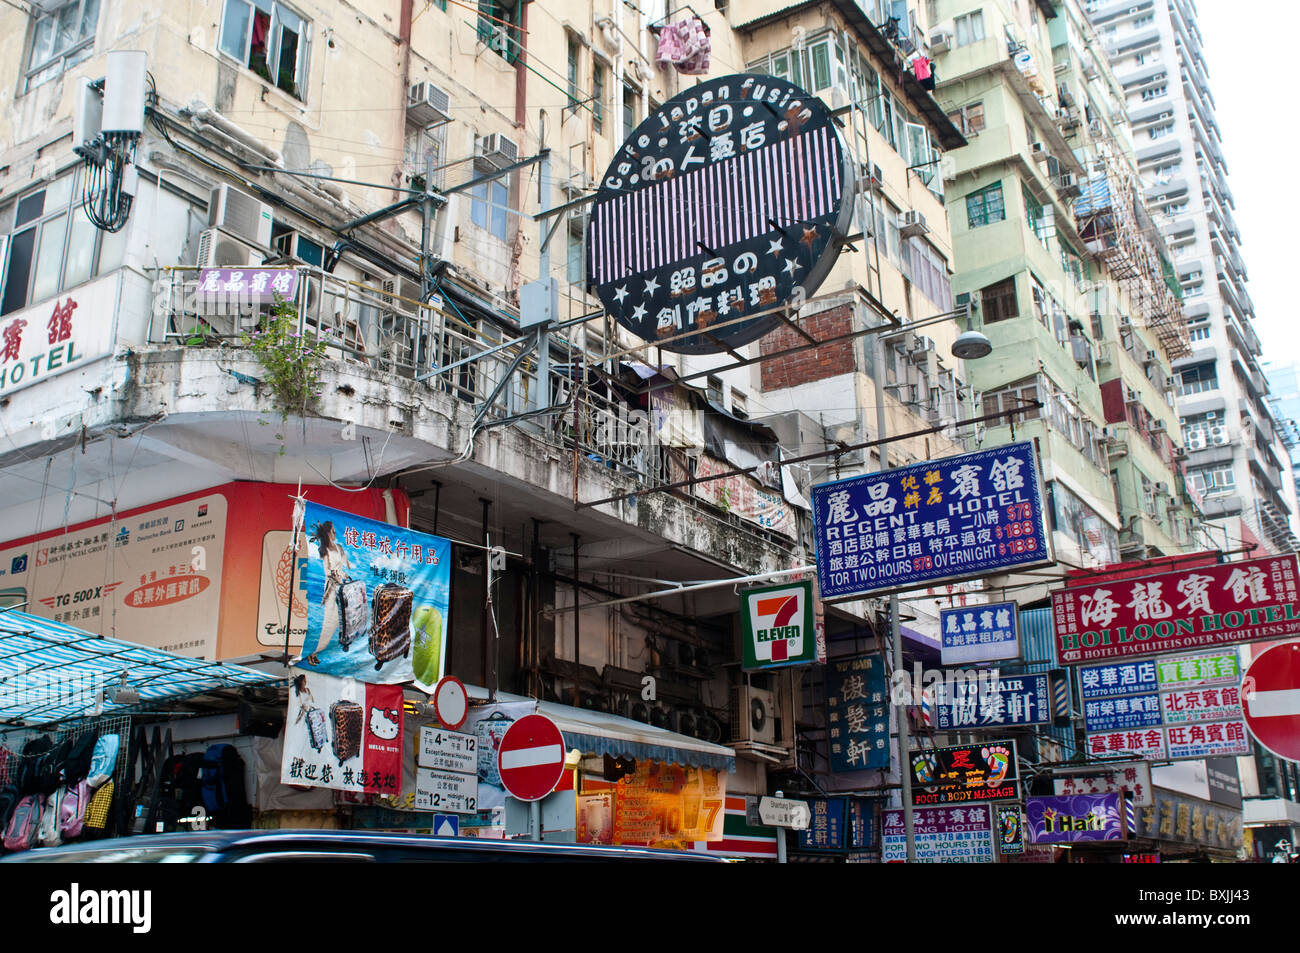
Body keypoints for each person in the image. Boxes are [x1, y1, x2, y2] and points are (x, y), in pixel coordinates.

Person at [305, 521, 350, 666]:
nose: (335, 534)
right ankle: (313, 652)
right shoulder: (325, 550)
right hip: (332, 588)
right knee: (329, 622)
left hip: (341, 587)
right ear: (328, 533)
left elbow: (346, 564)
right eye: (333, 532)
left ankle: (318, 651)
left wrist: (345, 574)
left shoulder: (339, 548)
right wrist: (336, 575)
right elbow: (327, 571)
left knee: (339, 621)